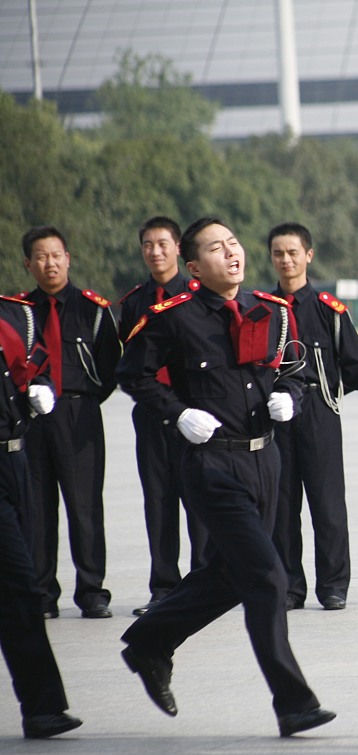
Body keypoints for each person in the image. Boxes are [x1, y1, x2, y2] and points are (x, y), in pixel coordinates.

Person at [116, 216, 335, 737]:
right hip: (212, 465)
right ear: (194, 267)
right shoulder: (174, 317)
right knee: (267, 576)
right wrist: (177, 413)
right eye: (216, 248)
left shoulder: (270, 310)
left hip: (266, 460)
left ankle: (149, 641)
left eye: (234, 243)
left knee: (227, 576)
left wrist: (291, 395)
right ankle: (293, 701)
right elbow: (133, 374)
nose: (231, 253)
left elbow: (295, 368)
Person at [20, 226, 120, 620]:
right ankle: (43, 594)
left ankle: (93, 591)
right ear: (28, 264)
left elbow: (111, 365)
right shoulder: (19, 311)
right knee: (37, 510)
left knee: (85, 508)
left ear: (68, 258)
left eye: (56, 255)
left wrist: (86, 397)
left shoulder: (93, 309)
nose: (50, 263)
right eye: (41, 257)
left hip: (80, 417)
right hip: (32, 420)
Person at [268, 222, 358, 612]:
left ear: (308, 255)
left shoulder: (329, 310)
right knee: (281, 505)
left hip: (319, 412)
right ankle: (290, 587)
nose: (286, 260)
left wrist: (329, 388)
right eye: (278, 253)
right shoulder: (261, 309)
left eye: (293, 252)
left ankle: (333, 586)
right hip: (276, 416)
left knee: (327, 505)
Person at [118, 217, 210, 617]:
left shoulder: (198, 294)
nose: (155, 252)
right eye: (147, 245)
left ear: (178, 249)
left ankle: (204, 584)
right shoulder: (135, 302)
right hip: (153, 415)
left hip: (194, 414)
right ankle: (163, 587)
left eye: (162, 244)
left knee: (201, 502)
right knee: (158, 502)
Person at [0, 293, 83, 739]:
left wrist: (42, 386)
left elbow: (41, 362)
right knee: (17, 583)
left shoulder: (15, 315)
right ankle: (42, 705)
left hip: (15, 458)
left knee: (20, 587)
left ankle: (43, 707)